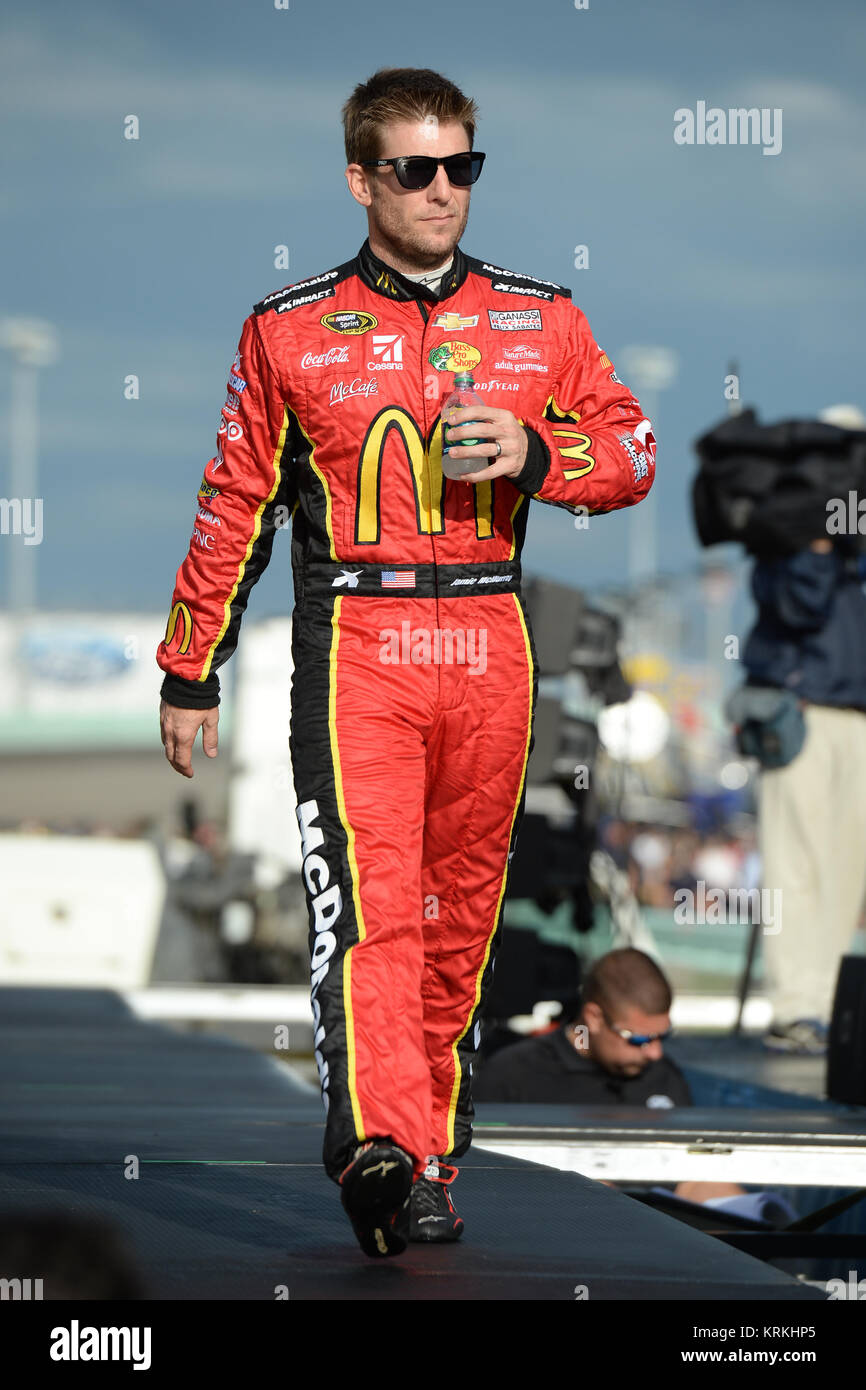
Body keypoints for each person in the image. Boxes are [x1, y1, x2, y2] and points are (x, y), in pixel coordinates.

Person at [156, 67, 656, 1259]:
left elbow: (632, 449)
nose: (442, 192)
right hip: (358, 644)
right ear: (361, 180)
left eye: (461, 168)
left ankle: (427, 1151)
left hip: (491, 638)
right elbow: (236, 502)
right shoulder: (285, 326)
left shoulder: (544, 318)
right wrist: (191, 667)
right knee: (372, 913)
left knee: (456, 923)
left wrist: (539, 452)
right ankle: (377, 1149)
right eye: (416, 171)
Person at [742, 416, 866, 1055]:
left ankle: (828, 1005)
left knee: (846, 870)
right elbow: (797, 609)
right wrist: (818, 544)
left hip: (854, 718)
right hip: (801, 713)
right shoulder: (781, 536)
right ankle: (797, 1006)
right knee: (793, 864)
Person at [473, 948, 691, 1107]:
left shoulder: (665, 1078)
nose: (656, 1053)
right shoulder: (512, 1077)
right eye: (640, 1040)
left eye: (663, 1036)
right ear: (594, 1018)